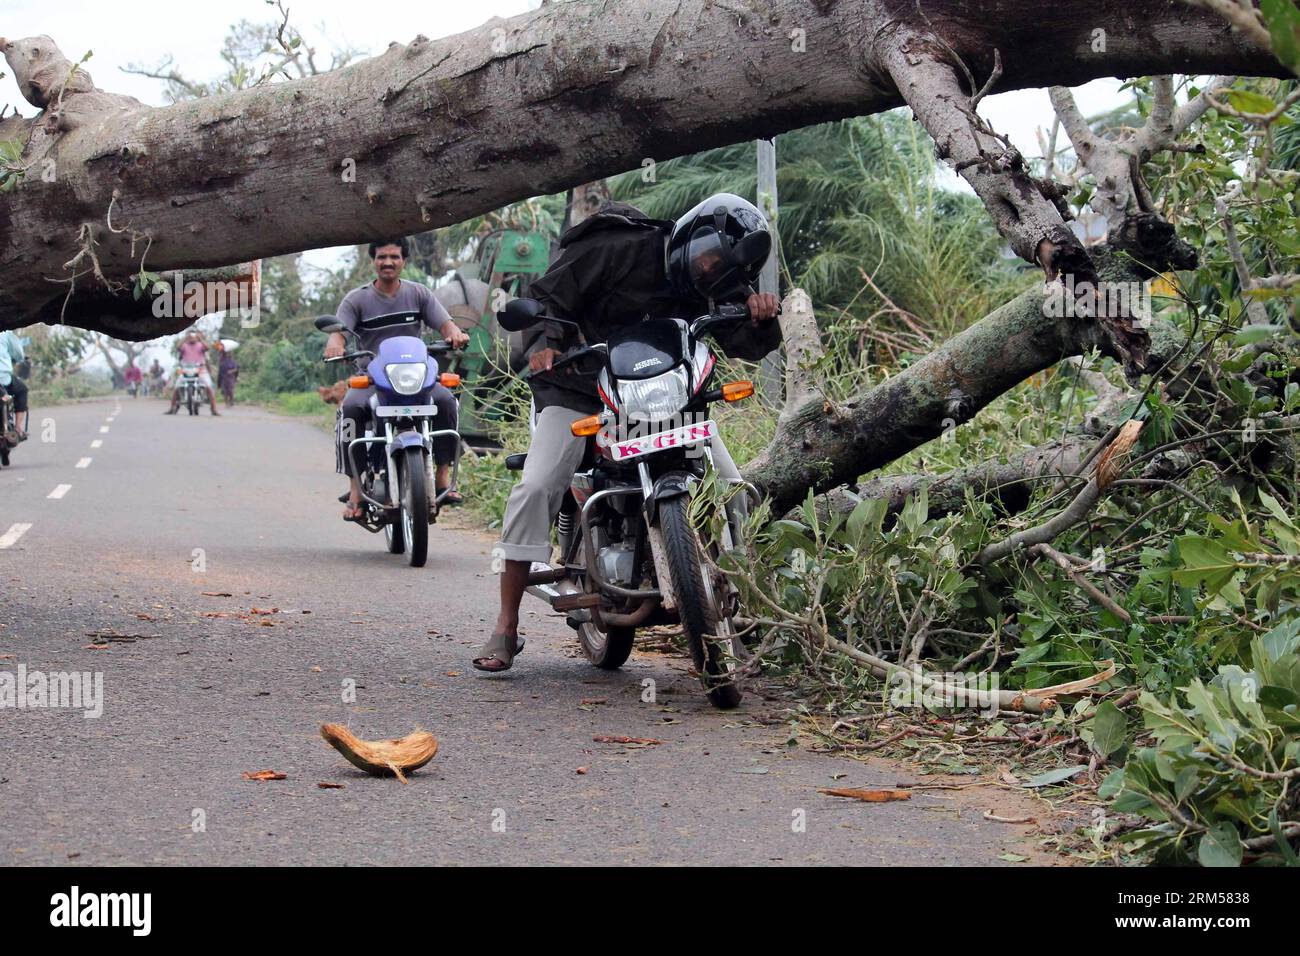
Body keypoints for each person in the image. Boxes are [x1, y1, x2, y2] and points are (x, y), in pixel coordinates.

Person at [474, 194, 782, 672]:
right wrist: (544, 346)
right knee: (536, 484)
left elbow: (744, 340)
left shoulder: (711, 279)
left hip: (665, 394)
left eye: (720, 270)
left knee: (734, 488)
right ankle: (506, 626)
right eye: (707, 258)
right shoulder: (613, 247)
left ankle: (741, 618)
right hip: (579, 387)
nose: (708, 271)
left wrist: (760, 317)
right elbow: (546, 299)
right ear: (689, 237)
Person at [324, 238, 470, 521]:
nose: (387, 262)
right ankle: (356, 487)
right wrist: (335, 343)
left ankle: (443, 475)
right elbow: (338, 332)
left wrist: (454, 333)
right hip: (371, 378)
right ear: (373, 261)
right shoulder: (357, 299)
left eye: (393, 257)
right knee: (350, 410)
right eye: (381, 257)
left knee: (446, 401)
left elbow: (446, 323)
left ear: (403, 261)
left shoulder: (419, 294)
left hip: (414, 377)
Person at [164, 329, 221, 415]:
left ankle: (213, 409)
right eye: (190, 336)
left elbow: (207, 347)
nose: (192, 337)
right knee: (177, 387)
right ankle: (172, 407)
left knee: (209, 387)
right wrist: (185, 338)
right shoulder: (184, 345)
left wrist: (200, 338)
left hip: (200, 370)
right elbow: (178, 347)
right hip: (185, 370)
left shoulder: (200, 345)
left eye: (193, 336)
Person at [0, 330, 29, 441]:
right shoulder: (5, 332)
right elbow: (18, 353)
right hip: (3, 378)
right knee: (22, 390)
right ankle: (18, 428)